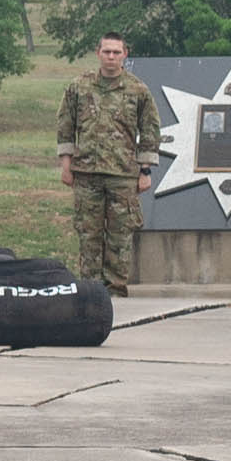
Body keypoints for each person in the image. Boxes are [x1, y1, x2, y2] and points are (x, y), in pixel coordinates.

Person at [57, 34, 159, 294]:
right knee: (88, 234)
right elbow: (66, 126)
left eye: (116, 52)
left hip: (122, 175)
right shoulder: (79, 87)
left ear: (125, 53)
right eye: (106, 52)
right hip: (86, 173)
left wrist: (145, 170)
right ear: (97, 52)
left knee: (119, 236)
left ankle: (115, 290)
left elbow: (150, 131)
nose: (111, 57)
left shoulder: (138, 90)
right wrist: (66, 164)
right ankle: (91, 290)